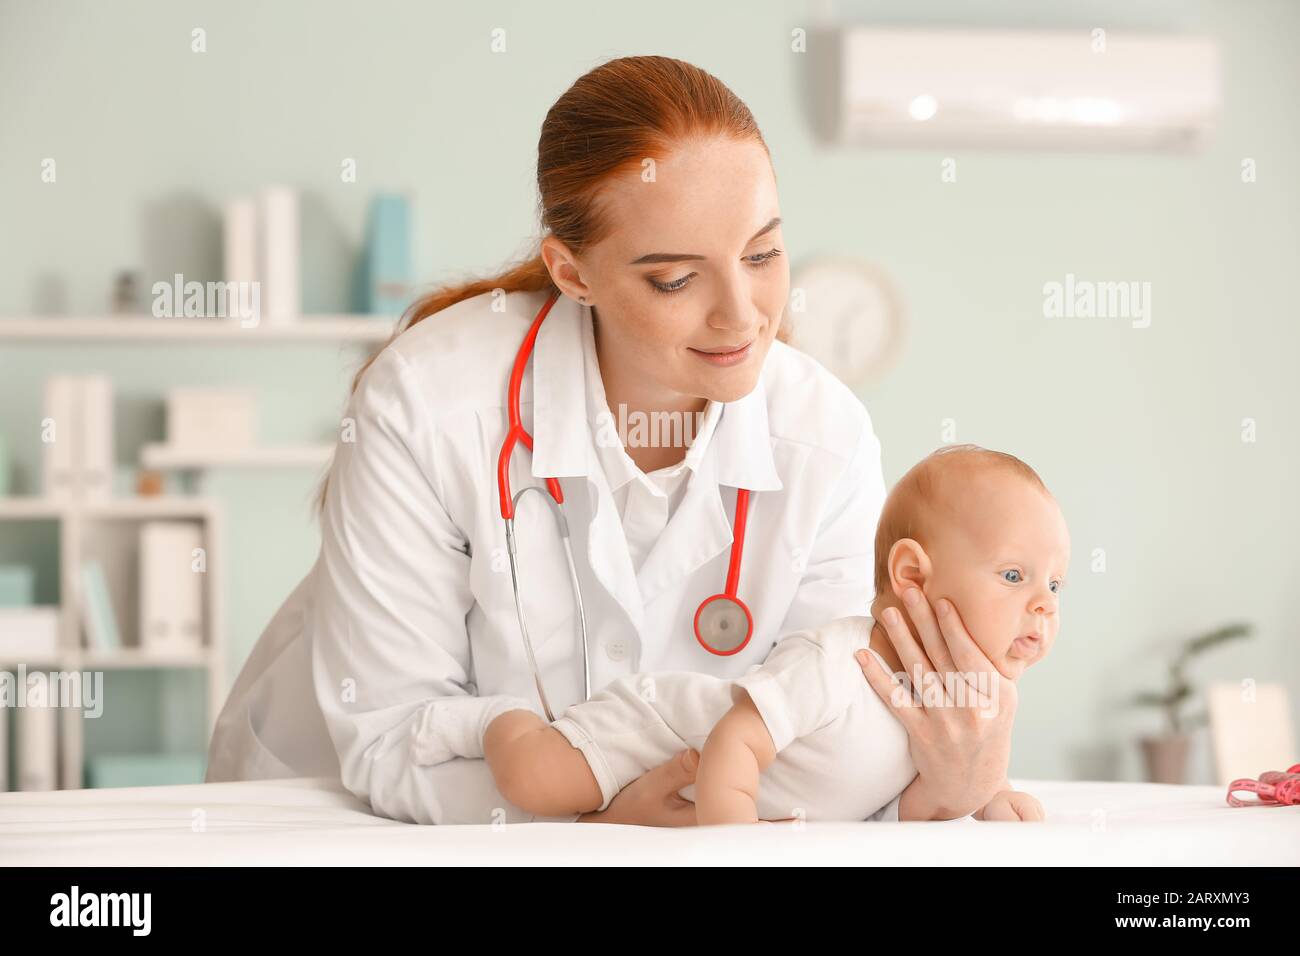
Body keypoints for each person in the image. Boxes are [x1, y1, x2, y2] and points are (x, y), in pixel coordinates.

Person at [206, 55, 1014, 826]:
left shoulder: (825, 439)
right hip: (353, 817)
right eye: (675, 279)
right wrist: (594, 810)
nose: (742, 314)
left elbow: (831, 730)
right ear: (571, 272)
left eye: (763, 253)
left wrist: (944, 784)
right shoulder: (427, 403)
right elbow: (390, 738)